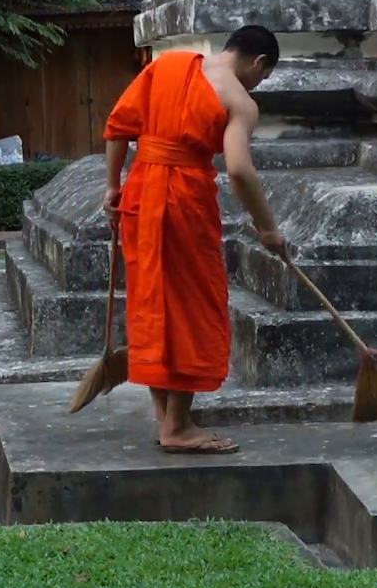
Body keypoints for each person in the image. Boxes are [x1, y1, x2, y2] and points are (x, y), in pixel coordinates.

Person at [103, 25, 287, 455]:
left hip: (140, 192)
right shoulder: (239, 100)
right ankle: (178, 427)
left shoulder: (167, 64)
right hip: (184, 201)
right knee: (193, 305)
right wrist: (267, 228)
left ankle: (166, 414)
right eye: (263, 75)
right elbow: (239, 170)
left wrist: (112, 187)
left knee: (152, 299)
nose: (258, 83)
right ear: (259, 62)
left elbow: (117, 127)